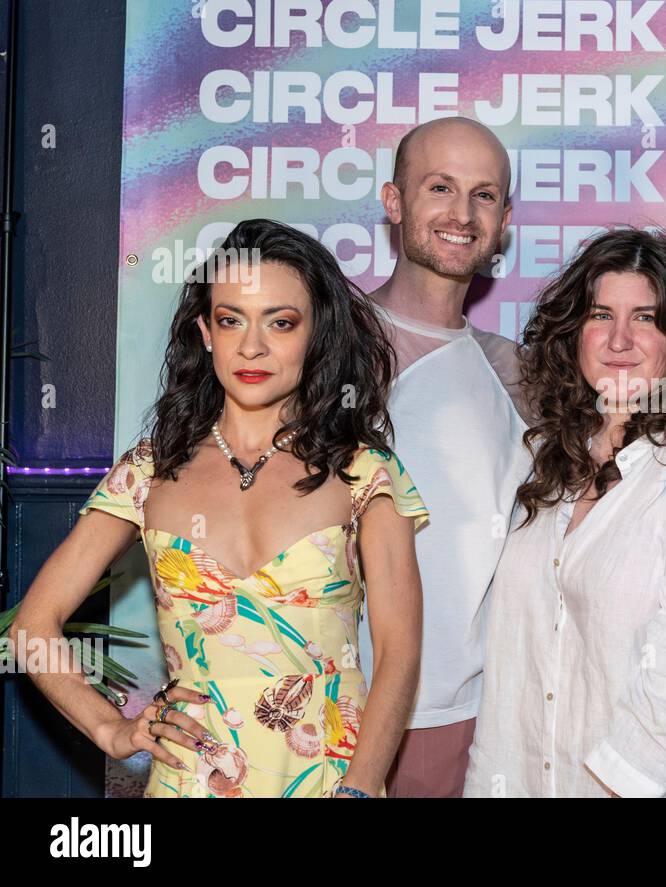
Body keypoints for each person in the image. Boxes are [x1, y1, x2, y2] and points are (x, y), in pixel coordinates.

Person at [10, 219, 427, 798]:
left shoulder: (365, 473)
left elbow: (401, 655)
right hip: (190, 783)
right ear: (206, 332)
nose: (251, 347)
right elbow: (32, 629)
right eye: (232, 320)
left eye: (280, 323)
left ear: (317, 335)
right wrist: (112, 730)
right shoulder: (150, 471)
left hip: (330, 784)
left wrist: (358, 787)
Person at [463, 227, 666, 797]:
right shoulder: (541, 459)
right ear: (573, 332)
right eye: (600, 314)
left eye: (646, 318)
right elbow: (511, 661)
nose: (618, 340)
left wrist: (624, 778)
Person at [361, 117, 533, 797]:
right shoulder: (315, 346)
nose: (462, 214)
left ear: (505, 218)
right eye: (440, 187)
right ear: (394, 201)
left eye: (484, 195)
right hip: (321, 710)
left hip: (464, 723)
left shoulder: (519, 375)